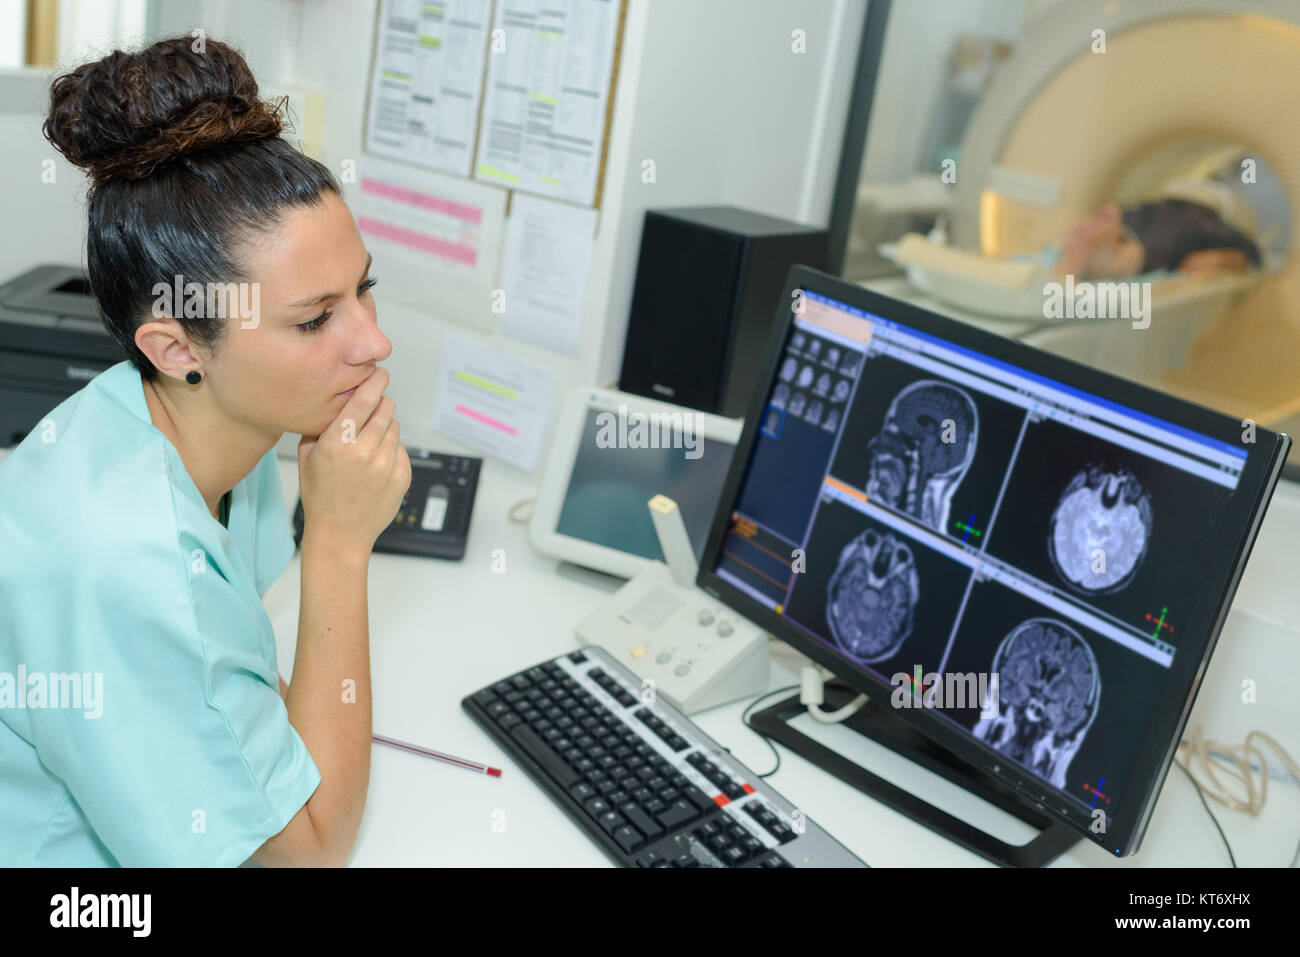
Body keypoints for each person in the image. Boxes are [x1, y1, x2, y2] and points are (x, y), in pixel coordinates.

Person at [0, 35, 411, 865]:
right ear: (178, 348)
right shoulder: (123, 558)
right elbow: (307, 855)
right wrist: (338, 544)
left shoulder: (194, 431)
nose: (374, 341)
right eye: (313, 319)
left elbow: (236, 684)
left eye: (363, 288)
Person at [1053, 196, 1262, 280]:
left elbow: (1250, 252)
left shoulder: (1193, 223)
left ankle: (1090, 258)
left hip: (1147, 246)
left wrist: (1220, 259)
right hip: (1134, 239)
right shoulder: (1125, 215)